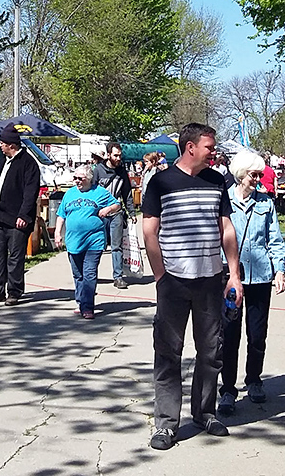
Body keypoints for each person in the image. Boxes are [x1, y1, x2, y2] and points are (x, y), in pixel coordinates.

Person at [142, 122, 243, 450]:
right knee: (169, 352)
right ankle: (167, 424)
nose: (214, 153)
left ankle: (204, 412)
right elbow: (149, 232)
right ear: (190, 148)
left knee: (210, 350)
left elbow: (226, 228)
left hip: (210, 280)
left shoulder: (217, 181)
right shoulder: (160, 183)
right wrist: (161, 276)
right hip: (174, 281)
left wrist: (233, 274)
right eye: (210, 147)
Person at [218, 149, 285, 414]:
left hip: (259, 277)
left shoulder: (265, 203)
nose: (258, 179)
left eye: (260, 175)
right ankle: (227, 390)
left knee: (257, 334)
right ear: (240, 174)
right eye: (254, 175)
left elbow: (275, 239)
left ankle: (255, 380)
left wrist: (279, 270)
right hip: (231, 279)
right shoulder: (225, 201)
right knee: (229, 335)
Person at [0, 125, 40, 305]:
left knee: (15, 256)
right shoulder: (2, 161)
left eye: (2, 143)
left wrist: (23, 215)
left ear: (11, 145)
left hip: (17, 219)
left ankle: (14, 292)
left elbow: (31, 193)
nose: (0, 146)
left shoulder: (28, 163)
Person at [54, 165, 121, 318]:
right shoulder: (69, 194)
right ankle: (80, 301)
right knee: (78, 274)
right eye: (75, 178)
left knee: (89, 273)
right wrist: (58, 233)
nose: (76, 181)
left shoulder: (99, 192)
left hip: (94, 240)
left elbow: (117, 204)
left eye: (80, 178)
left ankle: (87, 307)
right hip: (73, 241)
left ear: (89, 179)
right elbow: (61, 215)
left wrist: (107, 210)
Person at [92, 140, 135, 289]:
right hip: (100, 214)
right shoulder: (98, 170)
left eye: (120, 156)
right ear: (108, 155)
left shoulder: (122, 172)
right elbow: (91, 192)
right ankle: (91, 275)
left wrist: (132, 212)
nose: (118, 158)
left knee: (117, 246)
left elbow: (127, 193)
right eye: (115, 155)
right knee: (98, 246)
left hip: (116, 213)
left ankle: (118, 277)